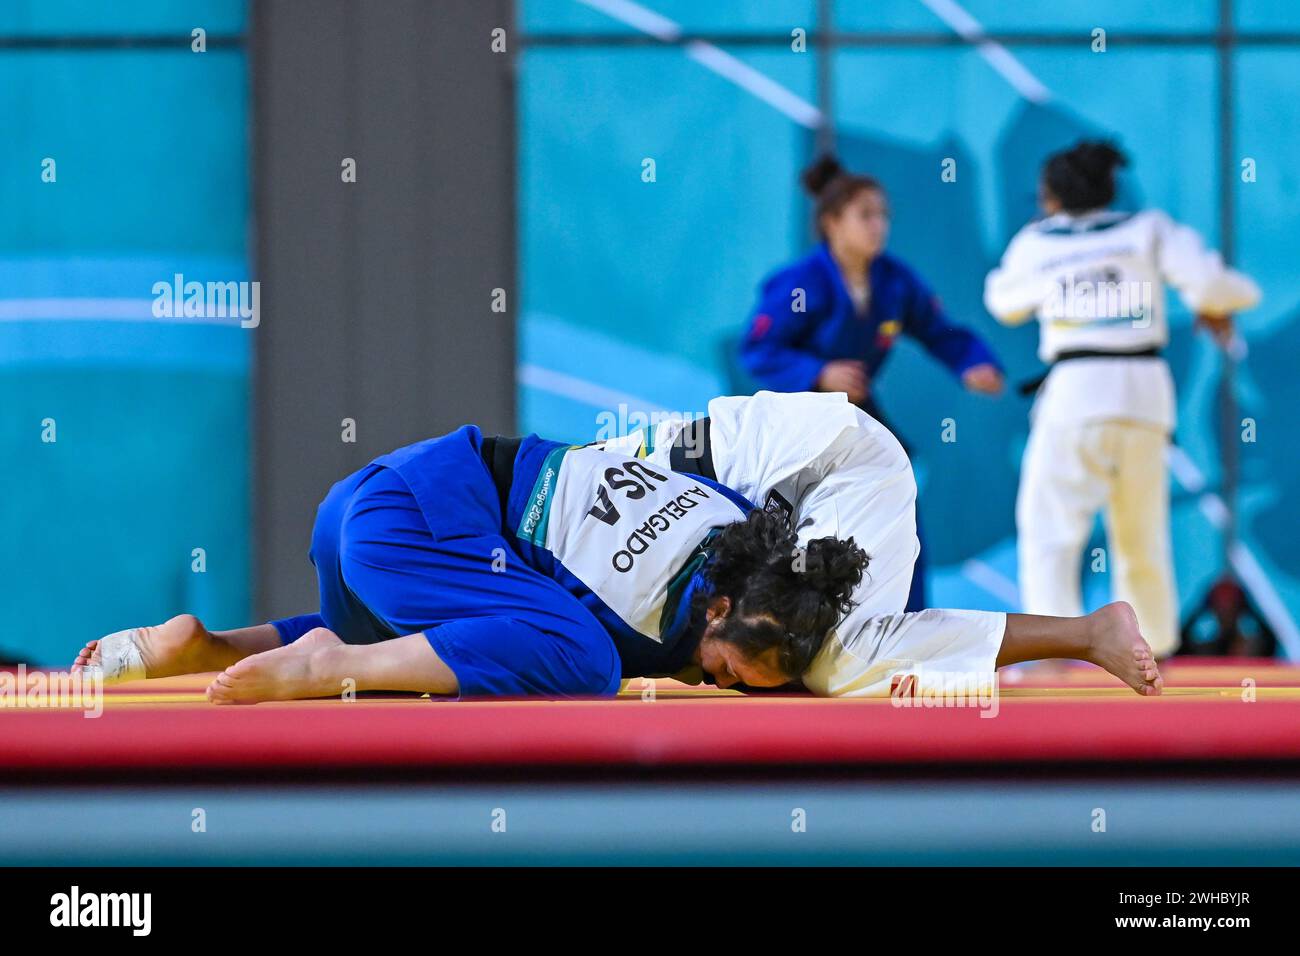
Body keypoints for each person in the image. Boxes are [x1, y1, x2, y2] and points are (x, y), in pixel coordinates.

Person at [73, 423, 868, 701]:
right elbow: (573, 651)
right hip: (402, 534)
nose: (710, 682)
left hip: (369, 502)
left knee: (483, 628)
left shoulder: (729, 511)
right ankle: (326, 664)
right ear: (717, 609)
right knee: (584, 660)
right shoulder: (659, 617)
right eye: (724, 670)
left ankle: (195, 647)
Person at [596, 390, 1163, 696]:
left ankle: (1090, 634)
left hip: (845, 468)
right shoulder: (587, 505)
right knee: (792, 661)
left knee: (834, 664)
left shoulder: (596, 518)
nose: (717, 683)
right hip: (802, 488)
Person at [984, 140, 1261, 658]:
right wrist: (1214, 303)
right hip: (1141, 394)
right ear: (1111, 187)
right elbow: (1213, 284)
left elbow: (1003, 301)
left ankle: (1050, 652)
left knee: (1051, 533)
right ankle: (1151, 648)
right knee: (1141, 533)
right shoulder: (1148, 230)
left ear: (1051, 197)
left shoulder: (1038, 242)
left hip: (1074, 395)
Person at [738, 154, 1005, 611]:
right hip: (799, 429)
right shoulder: (799, 284)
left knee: (900, 510)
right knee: (799, 528)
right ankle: (780, 627)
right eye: (866, 215)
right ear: (831, 223)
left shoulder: (895, 284)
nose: (879, 225)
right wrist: (818, 373)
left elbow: (939, 331)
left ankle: (909, 622)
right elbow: (756, 350)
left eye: (883, 215)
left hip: (860, 418)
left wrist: (972, 363)